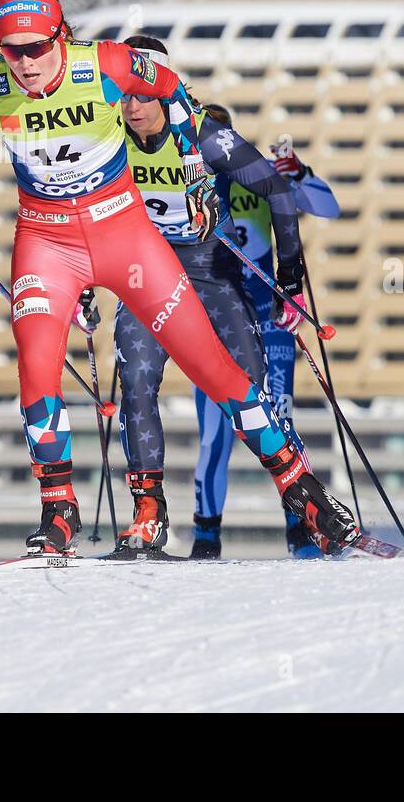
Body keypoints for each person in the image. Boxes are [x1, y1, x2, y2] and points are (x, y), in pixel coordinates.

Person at [0, 0, 359, 556]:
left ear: (60, 35)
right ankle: (62, 510)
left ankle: (302, 491)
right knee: (37, 367)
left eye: (36, 47)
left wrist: (195, 169)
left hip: (128, 239)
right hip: (47, 243)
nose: (24, 64)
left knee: (217, 370)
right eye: (11, 48)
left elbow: (173, 87)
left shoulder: (109, 64)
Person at [111, 37, 318, 556]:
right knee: (136, 380)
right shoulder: (107, 136)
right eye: (122, 95)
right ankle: (149, 514)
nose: (130, 106)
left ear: (164, 89)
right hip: (146, 272)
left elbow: (276, 190)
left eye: (141, 94)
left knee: (249, 393)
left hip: (210, 269)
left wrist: (290, 279)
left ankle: (307, 507)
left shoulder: (202, 132)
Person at [190, 110, 343, 559]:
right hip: (217, 314)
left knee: (279, 417)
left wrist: (299, 173)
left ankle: (304, 528)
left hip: (267, 312)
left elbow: (328, 207)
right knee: (215, 432)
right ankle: (206, 537)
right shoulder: (186, 179)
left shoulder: (255, 174)